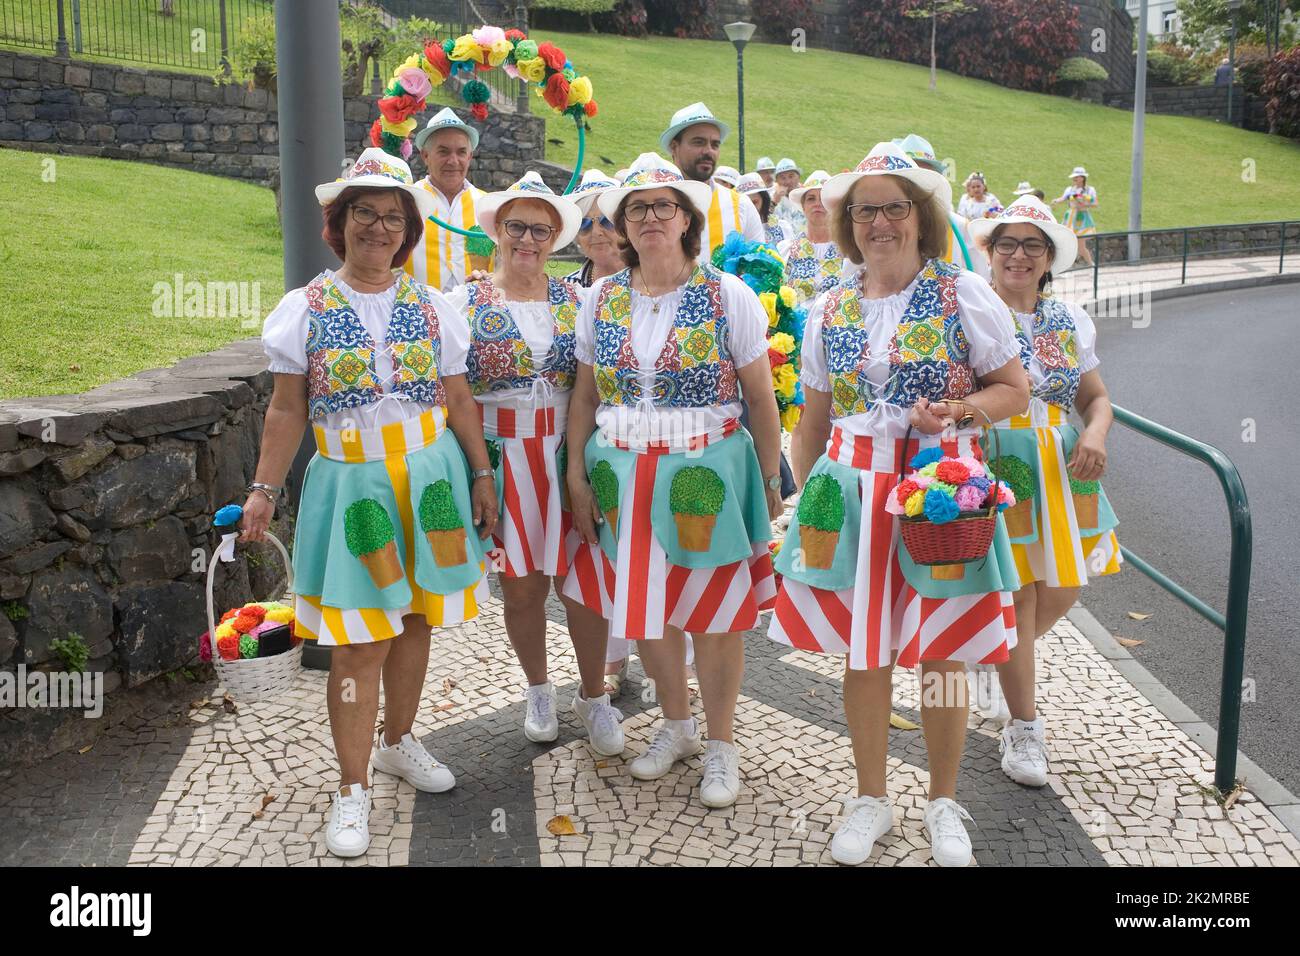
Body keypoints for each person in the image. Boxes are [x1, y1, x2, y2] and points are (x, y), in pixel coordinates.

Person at [770, 142, 1030, 867]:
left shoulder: (961, 291)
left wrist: (956, 407)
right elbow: (814, 423)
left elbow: (1014, 390)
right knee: (865, 651)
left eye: (894, 207)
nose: (880, 221)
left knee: (943, 651)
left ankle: (945, 801)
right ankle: (871, 797)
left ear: (921, 217)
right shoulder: (829, 308)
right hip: (852, 488)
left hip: (938, 488)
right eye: (865, 209)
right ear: (848, 223)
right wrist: (804, 503)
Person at [248, 148, 500, 858]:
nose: (379, 228)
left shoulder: (433, 308)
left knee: (416, 619)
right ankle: (352, 789)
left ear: (408, 230)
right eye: (365, 214)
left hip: (431, 481)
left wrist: (482, 476)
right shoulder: (304, 309)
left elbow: (458, 400)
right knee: (361, 641)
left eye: (393, 217)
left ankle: (397, 742)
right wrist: (264, 490)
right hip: (351, 482)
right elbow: (286, 411)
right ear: (339, 224)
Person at [563, 152, 785, 808]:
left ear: (687, 217)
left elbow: (761, 396)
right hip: (621, 476)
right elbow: (582, 397)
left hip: (707, 469)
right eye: (638, 208)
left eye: (665, 205)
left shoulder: (727, 295)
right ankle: (678, 726)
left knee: (715, 614)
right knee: (647, 608)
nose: (652, 217)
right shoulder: (600, 299)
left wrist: (769, 479)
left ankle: (721, 744)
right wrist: (576, 472)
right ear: (621, 225)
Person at [443, 172, 624, 755]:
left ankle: (593, 694)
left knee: (587, 581)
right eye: (517, 227)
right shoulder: (462, 300)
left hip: (572, 453)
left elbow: (597, 385)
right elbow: (455, 395)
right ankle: (539, 687)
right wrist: (477, 471)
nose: (529, 239)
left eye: (541, 230)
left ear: (555, 238)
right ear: (497, 231)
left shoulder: (583, 299)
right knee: (522, 590)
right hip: (504, 458)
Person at [968, 196, 1121, 787]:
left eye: (1033, 245)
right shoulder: (973, 313)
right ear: (990, 252)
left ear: (1050, 257)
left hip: (1059, 465)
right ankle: (1025, 728)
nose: (1019, 255)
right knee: (1022, 593)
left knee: (1067, 583)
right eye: (1007, 242)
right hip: (997, 459)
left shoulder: (1068, 321)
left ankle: (994, 650)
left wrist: (1098, 435)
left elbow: (1096, 400)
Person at [659, 102, 764, 262]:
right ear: (674, 147)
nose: (709, 151)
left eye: (715, 144)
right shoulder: (653, 202)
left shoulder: (739, 205)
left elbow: (760, 270)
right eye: (698, 142)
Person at [403, 107, 490, 292]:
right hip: (418, 311)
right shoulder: (407, 201)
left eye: (461, 152)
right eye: (443, 152)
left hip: (473, 314)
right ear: (425, 156)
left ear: (470, 157)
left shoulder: (488, 205)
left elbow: (505, 264)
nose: (453, 161)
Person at [893, 134, 989, 280]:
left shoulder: (960, 227)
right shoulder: (878, 227)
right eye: (910, 178)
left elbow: (982, 285)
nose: (918, 187)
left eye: (925, 177)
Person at [782, 170, 846, 305]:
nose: (818, 204)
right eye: (811, 199)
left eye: (823, 199)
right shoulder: (786, 250)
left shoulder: (849, 249)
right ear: (803, 207)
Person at [564, 169, 624, 289]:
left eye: (606, 221)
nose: (596, 232)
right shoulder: (565, 290)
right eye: (584, 224)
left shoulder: (651, 284)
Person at [1052, 167, 1098, 268]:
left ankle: (1091, 265)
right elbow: (1063, 198)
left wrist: (1083, 203)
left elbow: (1095, 203)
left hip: (1082, 217)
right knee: (1066, 241)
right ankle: (1064, 265)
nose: (1074, 179)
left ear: (1082, 178)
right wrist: (1056, 201)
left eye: (1076, 177)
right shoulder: (1070, 189)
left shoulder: (1090, 190)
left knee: (1081, 245)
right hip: (1070, 217)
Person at [737, 172, 790, 250]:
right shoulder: (736, 229)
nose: (751, 207)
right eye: (746, 204)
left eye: (755, 202)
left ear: (764, 200)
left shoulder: (782, 227)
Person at [772, 157, 806, 234]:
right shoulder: (773, 197)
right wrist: (774, 201)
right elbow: (766, 221)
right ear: (777, 181)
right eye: (783, 178)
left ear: (798, 177)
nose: (787, 181)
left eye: (791, 176)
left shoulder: (807, 194)